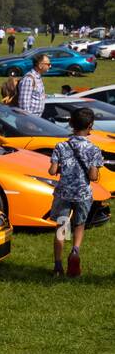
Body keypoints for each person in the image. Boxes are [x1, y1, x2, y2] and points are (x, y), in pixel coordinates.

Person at [46, 108, 104, 277]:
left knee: (62, 227)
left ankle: (57, 265)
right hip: (82, 194)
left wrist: (61, 167)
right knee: (79, 225)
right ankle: (75, 252)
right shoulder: (94, 149)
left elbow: (51, 171)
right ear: (90, 126)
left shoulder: (61, 146)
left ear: (71, 123)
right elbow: (93, 177)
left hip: (64, 193)